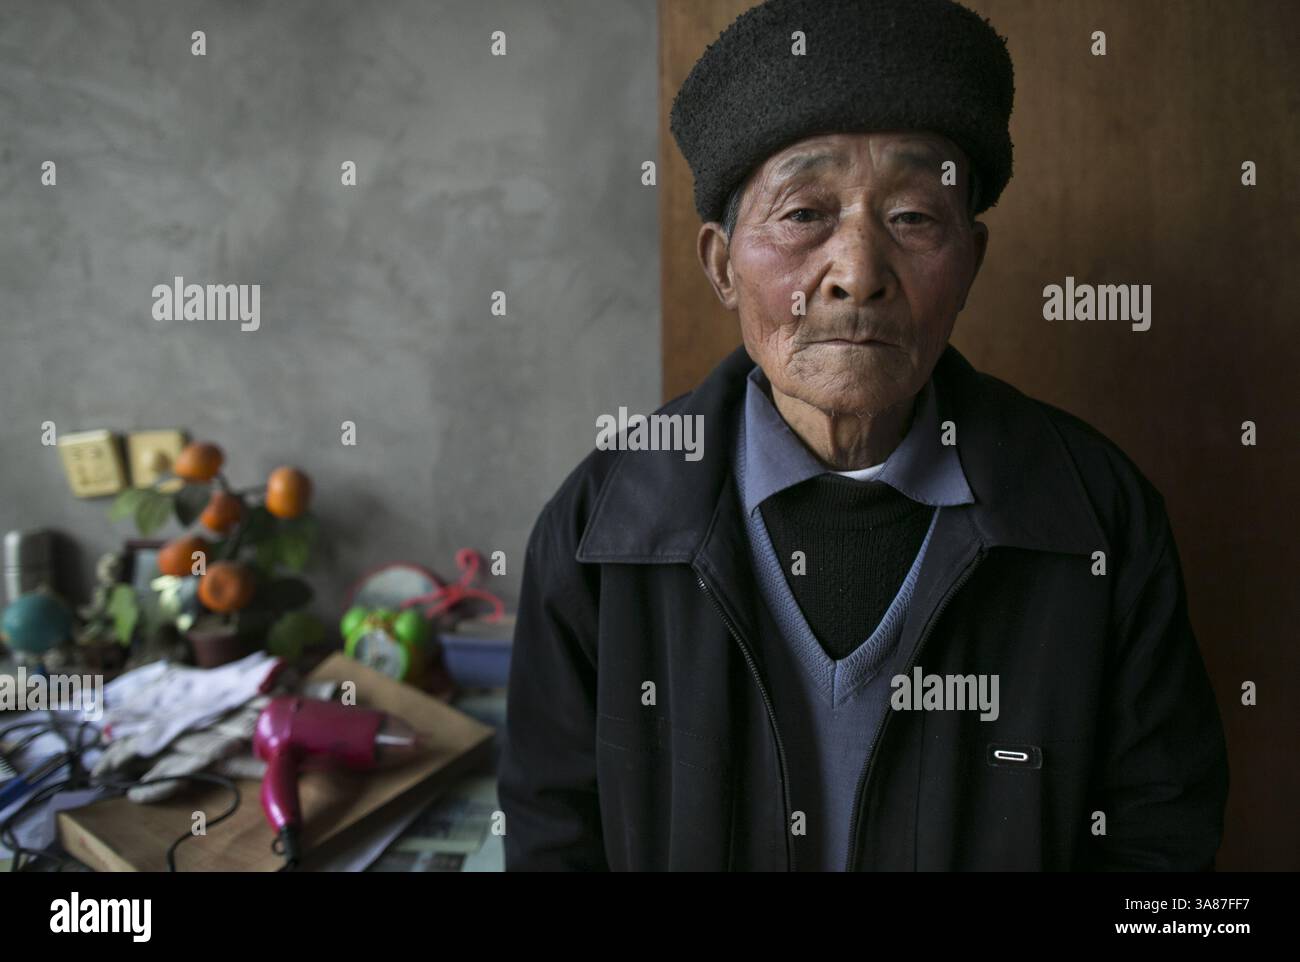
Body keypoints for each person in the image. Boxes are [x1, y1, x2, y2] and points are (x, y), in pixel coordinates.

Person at [498, 0, 1228, 871]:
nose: (857, 273)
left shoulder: (1098, 521)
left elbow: (1164, 850)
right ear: (723, 265)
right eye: (804, 213)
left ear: (971, 259)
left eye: (915, 218)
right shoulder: (600, 530)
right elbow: (552, 838)